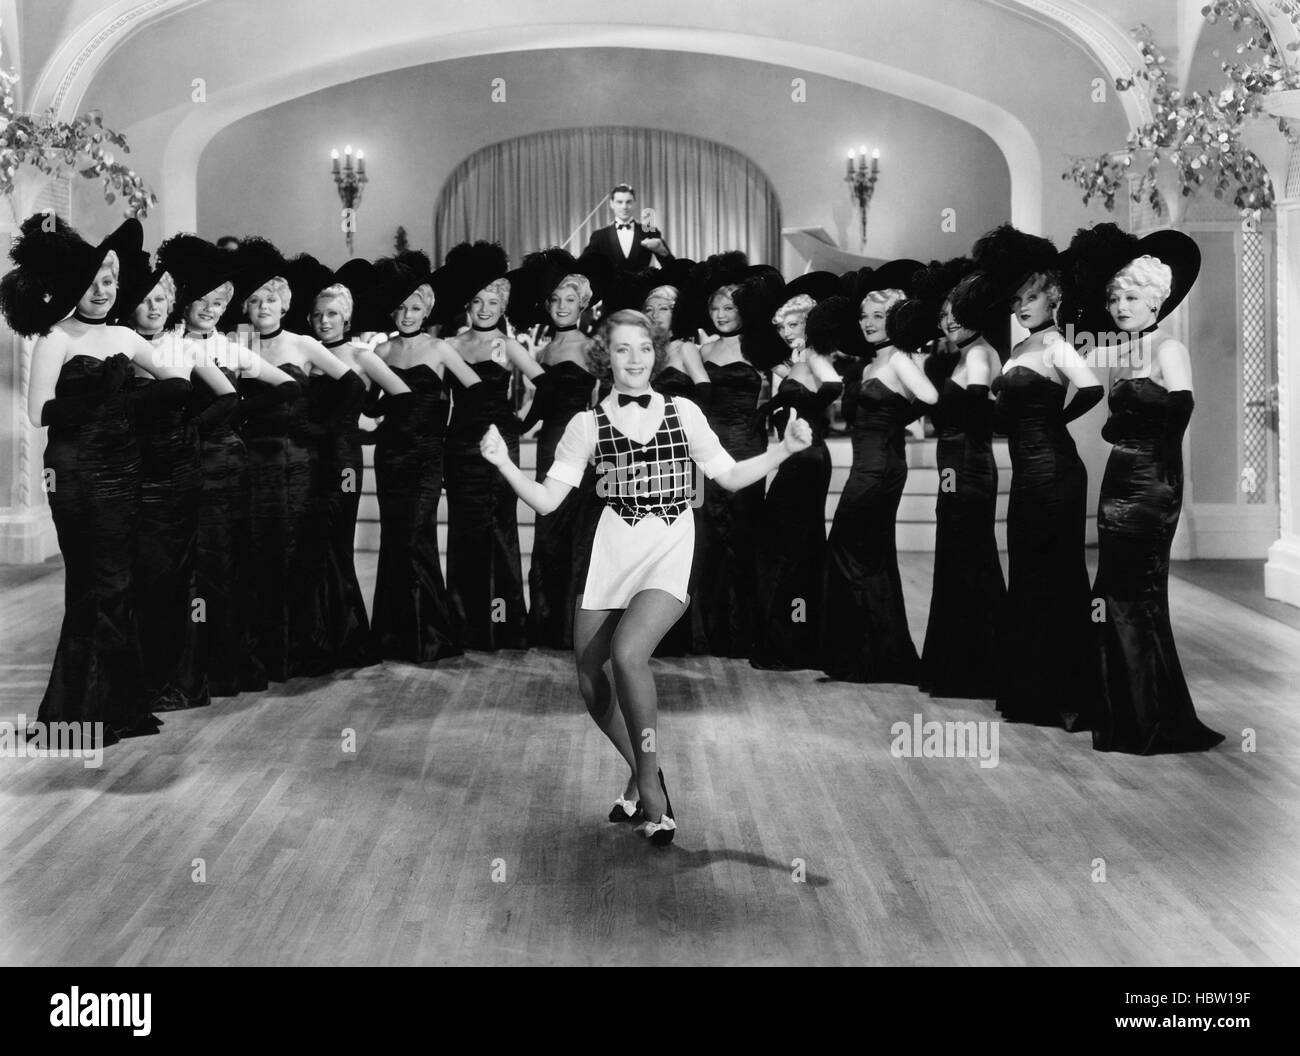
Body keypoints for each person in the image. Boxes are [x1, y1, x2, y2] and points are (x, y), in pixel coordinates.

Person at [478, 309, 813, 845]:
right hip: (613, 549)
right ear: (604, 357)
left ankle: (653, 791)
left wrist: (784, 451)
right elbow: (545, 501)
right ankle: (639, 769)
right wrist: (503, 464)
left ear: (656, 352)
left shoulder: (684, 412)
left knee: (629, 655)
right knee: (589, 680)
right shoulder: (586, 425)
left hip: (669, 546)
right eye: (622, 350)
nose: (635, 361)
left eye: (643, 349)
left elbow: (727, 476)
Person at [1, 214, 189, 745]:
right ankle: (77, 714)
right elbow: (40, 412)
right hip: (76, 472)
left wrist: (132, 397)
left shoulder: (127, 335)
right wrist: (99, 396)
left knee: (118, 583)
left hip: (124, 468)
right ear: (71, 289)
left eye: (108, 281)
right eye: (91, 283)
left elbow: (176, 385)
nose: (102, 291)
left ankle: (116, 706)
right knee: (92, 585)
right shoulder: (56, 338)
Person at [1062, 224, 1224, 753]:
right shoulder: (1125, 352)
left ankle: (1150, 717)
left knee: (1137, 593)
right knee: (1111, 590)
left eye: (1132, 296)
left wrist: (1129, 420)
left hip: (1153, 484)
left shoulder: (1169, 349)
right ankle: (1119, 709)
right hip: (1117, 481)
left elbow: (1179, 414)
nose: (1122, 306)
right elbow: (1110, 419)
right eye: (1115, 298)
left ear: (1157, 299)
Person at [984, 224, 1103, 730]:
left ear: (1053, 299)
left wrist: (1055, 421)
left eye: (1031, 297)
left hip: (1055, 470)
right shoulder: (1017, 352)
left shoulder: (1056, 346)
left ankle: (1066, 694)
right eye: (1017, 299)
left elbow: (1093, 389)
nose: (1022, 306)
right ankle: (1031, 691)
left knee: (1056, 573)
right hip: (1027, 473)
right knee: (1029, 573)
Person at [815, 258, 936, 684]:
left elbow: (931, 399)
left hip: (881, 467)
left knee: (848, 551)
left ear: (896, 319)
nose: (868, 323)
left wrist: (896, 421)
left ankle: (878, 655)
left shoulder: (901, 360)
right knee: (871, 556)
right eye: (865, 316)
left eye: (879, 316)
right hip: (867, 466)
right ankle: (875, 656)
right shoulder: (866, 364)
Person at [369, 252, 480, 662]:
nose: (407, 314)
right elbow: (368, 404)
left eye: (415, 307)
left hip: (428, 456)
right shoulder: (380, 351)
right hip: (390, 456)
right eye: (400, 307)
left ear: (427, 310)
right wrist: (378, 421)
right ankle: (392, 636)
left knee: (417, 538)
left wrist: (453, 436)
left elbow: (477, 393)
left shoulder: (440, 348)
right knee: (394, 540)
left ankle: (428, 634)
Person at [915, 258, 1006, 699]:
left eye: (958, 314)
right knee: (959, 563)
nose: (949, 322)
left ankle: (978, 670)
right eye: (945, 315)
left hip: (969, 470)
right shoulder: (966, 355)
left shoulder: (980, 355)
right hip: (956, 469)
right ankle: (962, 667)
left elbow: (977, 412)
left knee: (970, 562)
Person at [441, 241, 538, 650]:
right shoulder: (451, 344)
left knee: (499, 531)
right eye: (478, 301)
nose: (484, 309)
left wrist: (520, 423)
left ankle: (502, 624)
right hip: (460, 445)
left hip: (500, 447)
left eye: (493, 301)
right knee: (464, 532)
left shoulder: (506, 345)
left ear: (504, 305)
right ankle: (464, 624)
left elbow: (546, 387)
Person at [511, 249, 603, 649]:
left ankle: (571, 627)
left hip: (579, 448)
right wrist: (512, 426)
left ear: (583, 305)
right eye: (555, 300)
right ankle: (548, 624)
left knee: (573, 532)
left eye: (570, 300)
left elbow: (602, 403)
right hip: (550, 444)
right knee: (548, 532)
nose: (562, 307)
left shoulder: (590, 347)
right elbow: (540, 407)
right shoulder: (544, 350)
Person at [751, 275, 843, 670]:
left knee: (790, 544)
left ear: (809, 323)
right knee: (789, 543)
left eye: (794, 324)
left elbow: (835, 387)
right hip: (797, 457)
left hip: (808, 459)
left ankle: (794, 642)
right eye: (783, 327)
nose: (788, 332)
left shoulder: (816, 356)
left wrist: (805, 409)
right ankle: (795, 638)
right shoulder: (796, 362)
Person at [580, 184, 673, 273]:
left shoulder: (649, 231)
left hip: (642, 288)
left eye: (628, 202)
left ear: (634, 203)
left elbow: (673, 267)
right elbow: (583, 265)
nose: (624, 207)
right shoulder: (599, 235)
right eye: (619, 202)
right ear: (611, 204)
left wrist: (662, 251)